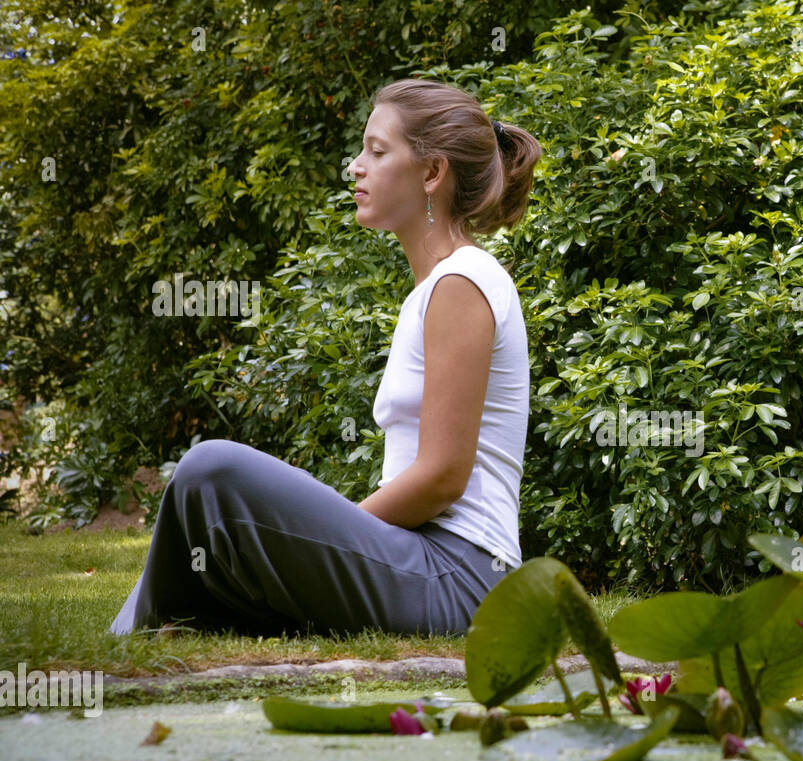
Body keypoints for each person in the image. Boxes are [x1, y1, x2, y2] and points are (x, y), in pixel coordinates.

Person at [109, 79, 541, 638]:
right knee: (218, 534)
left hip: (462, 578)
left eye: (377, 151)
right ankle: (161, 628)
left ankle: (132, 636)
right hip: (426, 563)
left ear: (432, 173)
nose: (356, 167)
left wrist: (334, 534)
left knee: (209, 470)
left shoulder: (464, 281)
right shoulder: (439, 286)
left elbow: (442, 478)